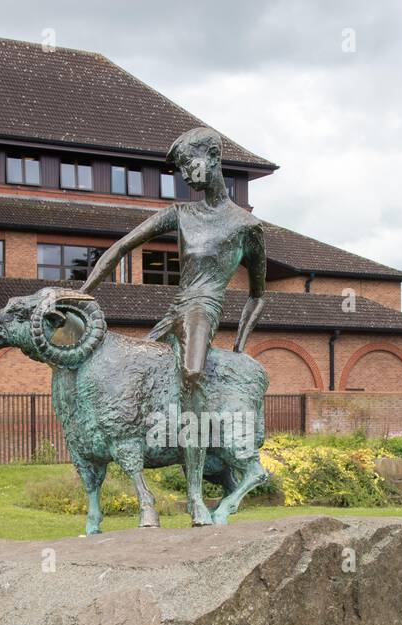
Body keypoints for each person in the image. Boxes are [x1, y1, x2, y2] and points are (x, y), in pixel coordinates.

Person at [79, 127, 266, 525]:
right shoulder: (180, 214)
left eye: (190, 164)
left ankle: (197, 498)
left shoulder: (245, 227)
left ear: (214, 159)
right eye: (180, 169)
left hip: (204, 309)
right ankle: (141, 481)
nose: (186, 175)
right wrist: (82, 292)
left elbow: (258, 295)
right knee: (134, 371)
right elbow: (120, 248)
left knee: (192, 376)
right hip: (176, 310)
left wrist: (238, 348)